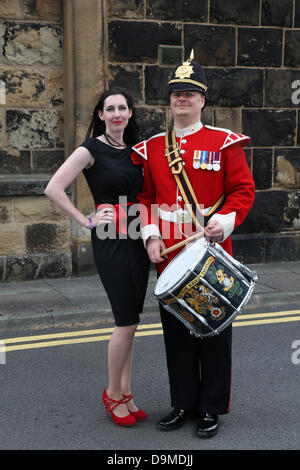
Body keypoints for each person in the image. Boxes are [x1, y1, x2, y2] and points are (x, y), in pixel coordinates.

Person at [133, 54, 255, 437]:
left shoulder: (224, 143)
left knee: (214, 331)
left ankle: (211, 408)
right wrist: (150, 235)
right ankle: (183, 402)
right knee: (177, 334)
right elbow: (146, 198)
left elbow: (242, 191)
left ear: (202, 100)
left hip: (211, 249)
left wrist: (225, 220)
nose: (181, 100)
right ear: (169, 101)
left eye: (189, 94)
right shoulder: (152, 147)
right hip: (170, 251)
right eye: (175, 95)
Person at [44, 86, 150, 428]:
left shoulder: (138, 150)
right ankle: (112, 393)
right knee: (124, 322)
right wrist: (85, 219)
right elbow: (53, 188)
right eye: (110, 109)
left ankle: (127, 392)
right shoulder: (90, 149)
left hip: (136, 237)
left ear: (130, 113)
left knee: (133, 322)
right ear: (101, 115)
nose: (117, 114)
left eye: (122, 108)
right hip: (109, 240)